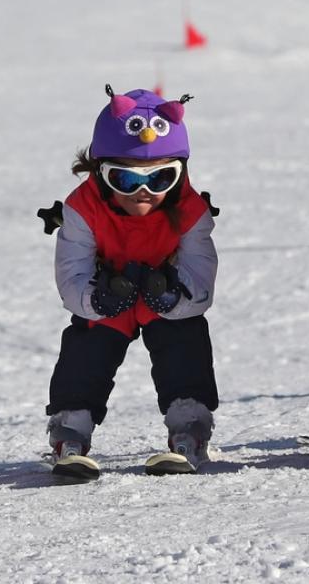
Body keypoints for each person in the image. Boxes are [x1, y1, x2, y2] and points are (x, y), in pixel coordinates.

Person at [45, 86, 218, 477]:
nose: (143, 192)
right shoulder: (82, 209)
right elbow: (72, 274)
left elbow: (202, 278)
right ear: (100, 174)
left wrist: (175, 294)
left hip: (164, 295)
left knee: (184, 336)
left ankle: (189, 427)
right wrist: (97, 298)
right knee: (89, 343)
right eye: (125, 180)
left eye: (161, 179)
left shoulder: (191, 211)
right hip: (111, 293)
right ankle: (70, 430)